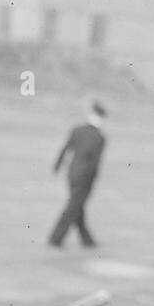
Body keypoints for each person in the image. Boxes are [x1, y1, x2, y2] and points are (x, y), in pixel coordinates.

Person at [48, 100, 107, 249]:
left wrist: (57, 166)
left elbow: (65, 149)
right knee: (73, 207)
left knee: (77, 206)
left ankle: (87, 240)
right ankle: (55, 238)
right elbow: (95, 163)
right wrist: (93, 180)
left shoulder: (77, 130)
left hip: (72, 174)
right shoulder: (99, 138)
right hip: (85, 177)